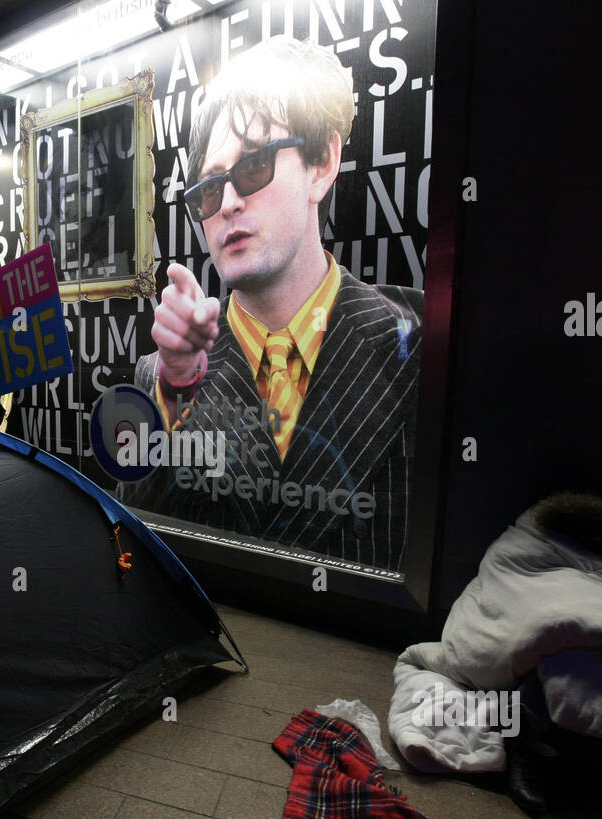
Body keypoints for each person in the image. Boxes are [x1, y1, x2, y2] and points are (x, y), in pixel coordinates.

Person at [117, 37, 423, 572]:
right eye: (210, 188)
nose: (229, 200)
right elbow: (138, 555)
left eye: (255, 164)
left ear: (322, 162)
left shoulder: (423, 347)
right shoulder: (157, 381)